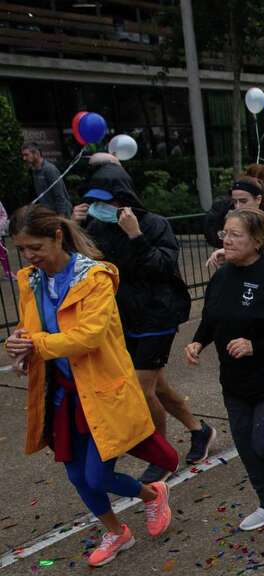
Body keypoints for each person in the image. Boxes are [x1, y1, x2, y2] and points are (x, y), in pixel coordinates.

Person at [6, 205, 173, 567]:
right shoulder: (29, 280)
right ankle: (116, 531)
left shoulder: (94, 277)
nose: (29, 255)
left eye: (35, 246)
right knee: (77, 475)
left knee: (98, 476)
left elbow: (89, 337)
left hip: (101, 391)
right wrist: (19, 344)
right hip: (62, 392)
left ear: (57, 236)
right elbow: (29, 327)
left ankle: (150, 494)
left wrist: (36, 344)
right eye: (22, 249)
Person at [74, 164, 214, 480]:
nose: (100, 208)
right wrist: (74, 228)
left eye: (106, 201)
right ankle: (199, 429)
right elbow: (81, 266)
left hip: (157, 314)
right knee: (156, 386)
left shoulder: (154, 224)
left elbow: (163, 266)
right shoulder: (96, 228)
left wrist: (135, 235)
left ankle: (161, 455)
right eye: (95, 202)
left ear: (124, 199)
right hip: (123, 317)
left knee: (139, 388)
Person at [186, 209, 264, 531]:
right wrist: (198, 343)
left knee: (263, 442)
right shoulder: (222, 276)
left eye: (235, 235)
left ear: (257, 241)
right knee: (245, 444)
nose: (225, 240)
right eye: (224, 233)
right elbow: (211, 318)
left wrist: (256, 345)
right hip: (235, 382)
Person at [21, 143, 71, 217]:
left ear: (36, 153)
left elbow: (60, 196)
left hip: (58, 214)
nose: (24, 158)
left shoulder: (49, 169)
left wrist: (61, 218)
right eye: (23, 155)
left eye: (26, 155)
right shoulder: (33, 171)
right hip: (47, 214)